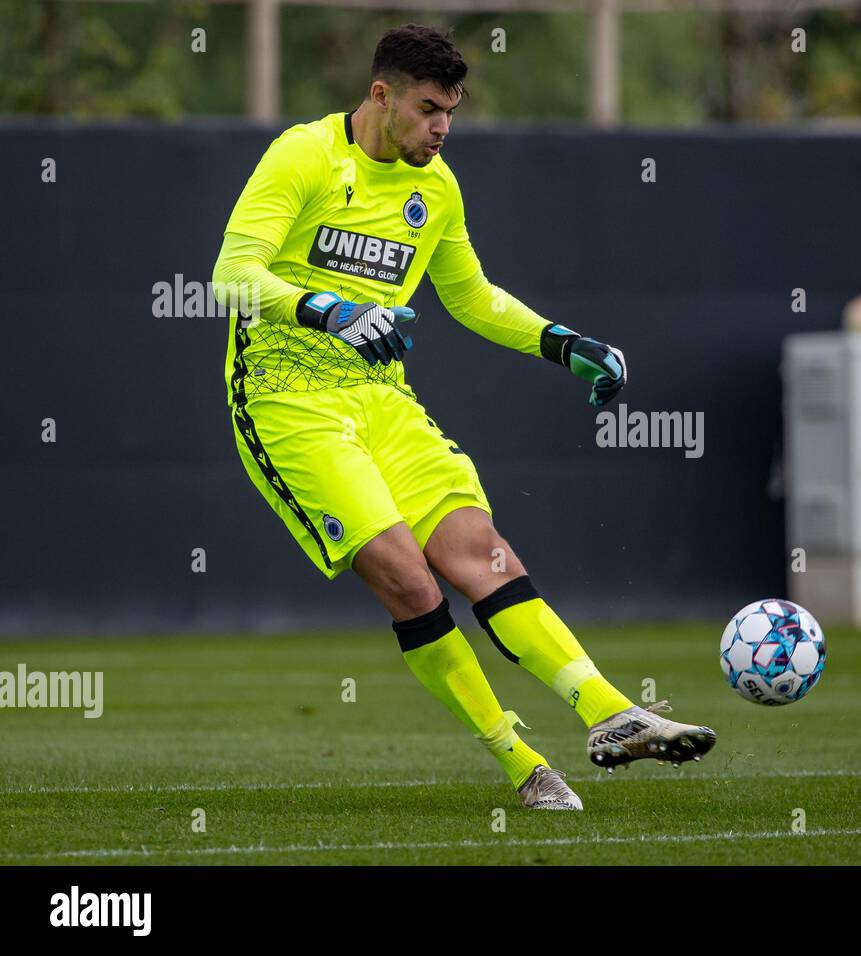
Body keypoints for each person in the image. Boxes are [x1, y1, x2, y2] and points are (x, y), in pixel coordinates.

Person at [213, 23, 715, 811]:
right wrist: (324, 308)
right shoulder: (304, 156)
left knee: (481, 553)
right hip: (288, 403)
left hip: (383, 403)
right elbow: (230, 276)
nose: (441, 126)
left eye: (451, 110)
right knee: (411, 581)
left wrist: (562, 342)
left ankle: (610, 713)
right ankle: (521, 761)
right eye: (427, 108)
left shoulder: (434, 186)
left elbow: (471, 295)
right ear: (381, 95)